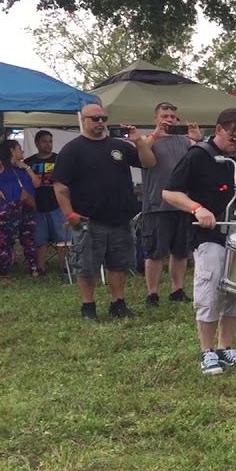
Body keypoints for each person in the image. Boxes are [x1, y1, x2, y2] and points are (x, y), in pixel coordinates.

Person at [163, 108, 236, 375]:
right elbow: (170, 192)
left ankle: (225, 347)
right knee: (210, 288)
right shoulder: (197, 156)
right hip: (208, 236)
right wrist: (196, 209)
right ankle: (207, 352)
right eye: (233, 137)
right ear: (218, 129)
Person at [52, 103, 157, 320]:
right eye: (95, 119)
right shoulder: (73, 149)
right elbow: (60, 187)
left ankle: (117, 303)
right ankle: (88, 306)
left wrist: (138, 140)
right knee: (87, 266)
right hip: (89, 219)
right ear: (84, 121)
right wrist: (69, 214)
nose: (100, 122)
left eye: (103, 118)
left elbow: (149, 163)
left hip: (120, 217)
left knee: (117, 264)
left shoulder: (118, 146)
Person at [140, 102, 201, 306]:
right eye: (164, 115)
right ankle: (152, 293)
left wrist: (196, 139)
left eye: (172, 116)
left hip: (182, 204)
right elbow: (138, 152)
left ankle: (177, 290)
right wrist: (156, 134)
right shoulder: (148, 140)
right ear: (155, 118)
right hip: (157, 205)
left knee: (181, 251)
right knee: (155, 252)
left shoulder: (184, 141)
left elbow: (200, 157)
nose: (169, 119)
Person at [0, 139, 42, 279]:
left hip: (27, 205)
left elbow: (36, 184)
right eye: (19, 148)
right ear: (12, 150)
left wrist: (27, 168)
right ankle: (3, 271)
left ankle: (33, 268)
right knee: (7, 239)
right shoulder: (0, 165)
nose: (22, 151)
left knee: (28, 237)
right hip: (9, 206)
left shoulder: (23, 167)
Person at [27, 131, 68, 271]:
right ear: (37, 143)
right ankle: (40, 267)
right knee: (39, 239)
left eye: (50, 141)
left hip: (57, 203)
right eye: (44, 141)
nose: (48, 144)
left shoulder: (59, 159)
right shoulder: (29, 162)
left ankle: (65, 266)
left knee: (62, 237)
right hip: (37, 204)